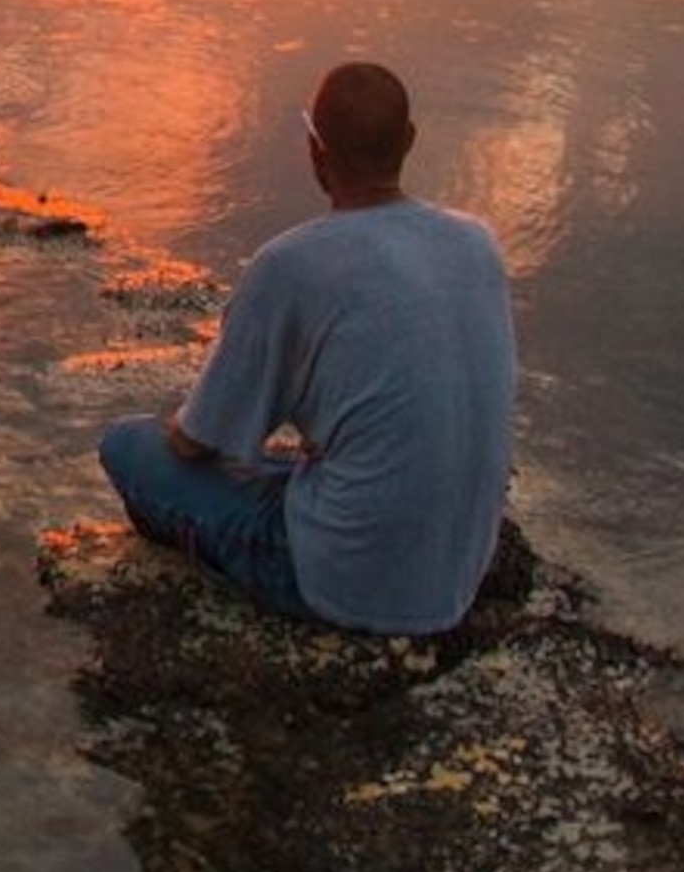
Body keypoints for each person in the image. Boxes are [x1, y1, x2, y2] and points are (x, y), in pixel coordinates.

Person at [98, 60, 515, 635]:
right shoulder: (477, 243)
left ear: (316, 153)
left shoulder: (290, 265)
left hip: (339, 583)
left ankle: (217, 561)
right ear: (410, 140)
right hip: (456, 577)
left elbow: (196, 444)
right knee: (290, 459)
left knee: (128, 445)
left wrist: (178, 428)